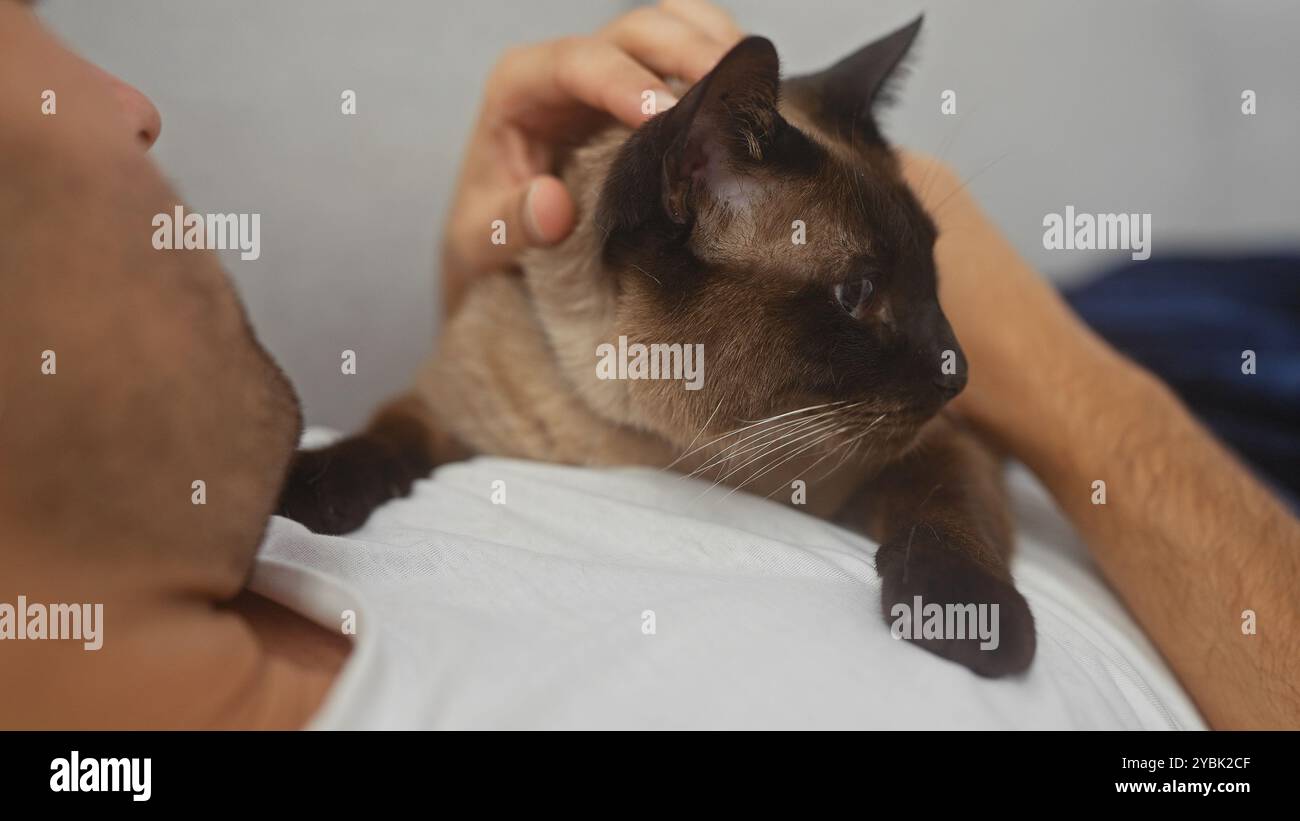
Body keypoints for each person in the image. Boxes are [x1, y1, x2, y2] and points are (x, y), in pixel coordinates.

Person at [0, 0, 1295, 730]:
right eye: (33, 39)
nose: (134, 106)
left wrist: (523, 299)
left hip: (1156, 329)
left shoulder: (303, 496)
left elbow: (513, 402)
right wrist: (1076, 400)